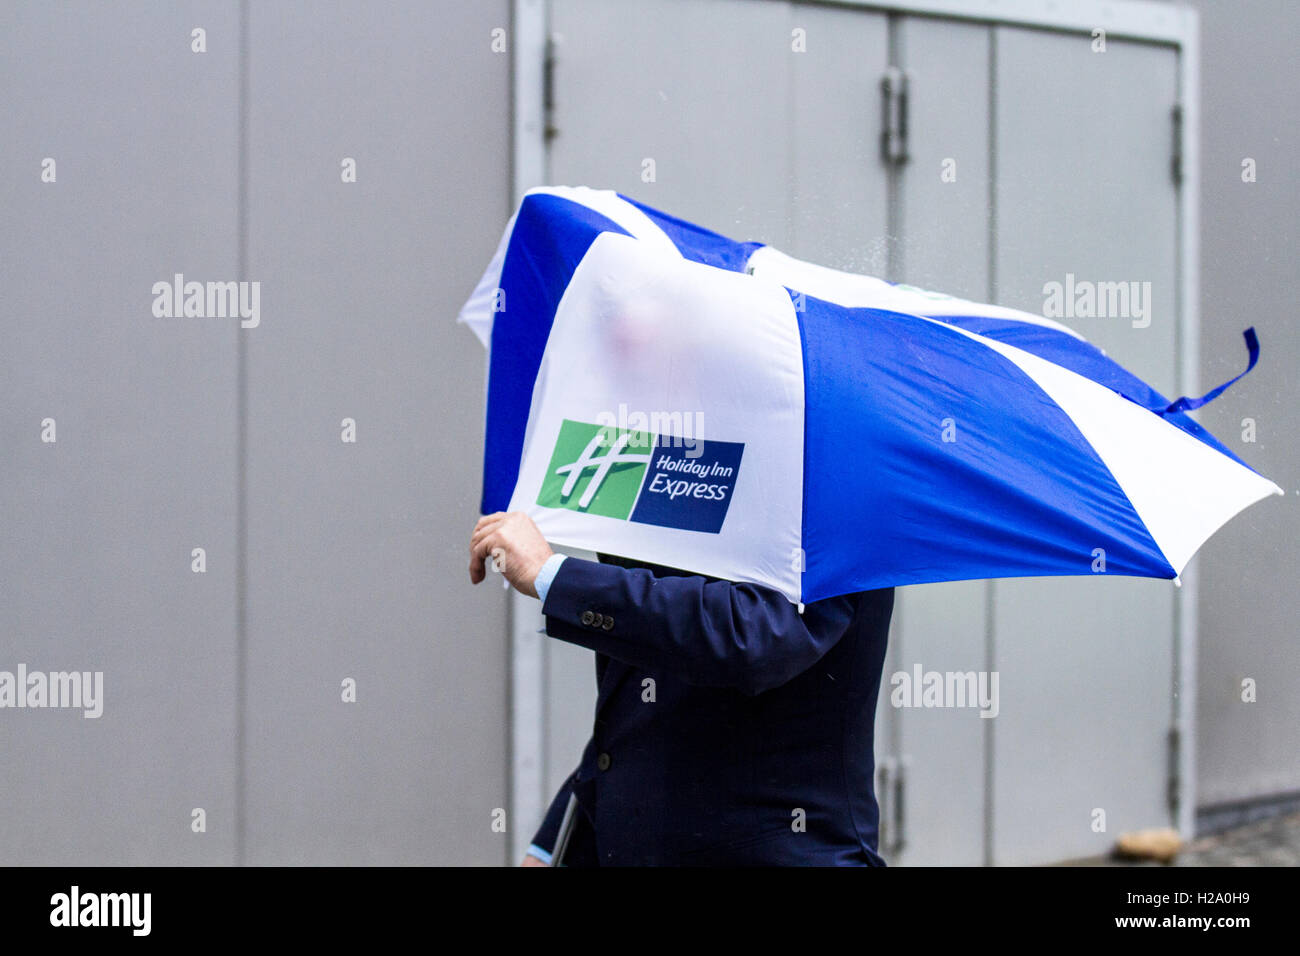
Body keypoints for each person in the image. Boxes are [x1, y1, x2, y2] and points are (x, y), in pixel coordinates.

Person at [469, 511, 895, 866]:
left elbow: (756, 637)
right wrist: (555, 841)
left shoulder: (846, 478)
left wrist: (555, 578)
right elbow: (644, 686)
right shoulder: (693, 450)